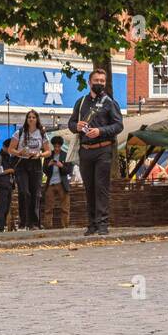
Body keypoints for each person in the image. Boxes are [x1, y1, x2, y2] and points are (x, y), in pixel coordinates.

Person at [69, 69, 124, 236]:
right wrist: (76, 126)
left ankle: (102, 223)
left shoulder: (110, 102)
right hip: (85, 151)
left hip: (103, 149)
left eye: (102, 80)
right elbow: (71, 124)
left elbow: (118, 125)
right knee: (89, 188)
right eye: (96, 80)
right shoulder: (81, 102)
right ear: (89, 82)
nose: (99, 83)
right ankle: (91, 224)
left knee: (101, 187)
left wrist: (100, 131)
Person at [7, 109, 48, 231]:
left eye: (33, 117)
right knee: (24, 192)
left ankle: (34, 223)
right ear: (26, 119)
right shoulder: (19, 132)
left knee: (36, 193)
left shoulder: (41, 133)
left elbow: (48, 151)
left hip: (35, 163)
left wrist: (40, 155)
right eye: (29, 117)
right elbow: (10, 150)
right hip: (22, 163)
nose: (31, 119)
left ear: (37, 119)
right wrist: (19, 152)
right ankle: (23, 222)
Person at [42, 135, 75, 229]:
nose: (56, 148)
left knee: (65, 207)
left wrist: (61, 166)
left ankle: (65, 226)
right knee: (48, 207)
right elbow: (44, 170)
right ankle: (48, 226)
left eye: (58, 146)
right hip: (50, 183)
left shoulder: (66, 155)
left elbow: (69, 170)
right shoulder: (48, 156)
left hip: (62, 183)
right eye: (55, 146)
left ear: (61, 146)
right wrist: (49, 164)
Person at [0, 142, 17, 230]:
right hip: (2, 184)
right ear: (4, 147)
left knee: (7, 206)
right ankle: (0, 226)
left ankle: (3, 225)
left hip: (9, 184)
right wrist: (9, 170)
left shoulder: (9, 156)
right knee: (2, 206)